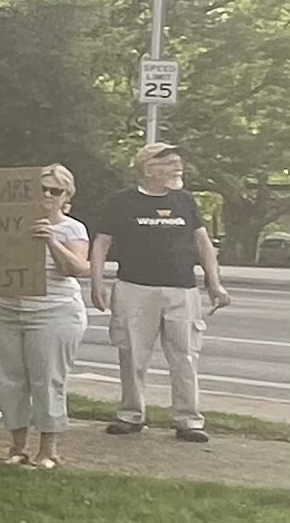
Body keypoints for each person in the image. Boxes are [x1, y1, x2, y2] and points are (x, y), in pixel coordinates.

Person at [90, 141, 228, 442]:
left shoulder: (185, 201)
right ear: (149, 169)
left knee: (185, 356)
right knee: (132, 354)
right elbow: (101, 243)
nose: (178, 167)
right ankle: (131, 415)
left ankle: (189, 420)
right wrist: (97, 282)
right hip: (134, 287)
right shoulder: (122, 202)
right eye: (170, 162)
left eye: (178, 161)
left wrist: (214, 282)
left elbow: (203, 243)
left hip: (182, 290)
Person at [0, 164, 90, 469]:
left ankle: (49, 450)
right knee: (9, 380)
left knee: (47, 380)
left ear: (66, 196)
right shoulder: (2, 223)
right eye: (41, 188)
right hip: (5, 310)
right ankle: (17, 447)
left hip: (53, 312)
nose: (46, 194)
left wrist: (50, 240)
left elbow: (77, 268)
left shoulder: (72, 228)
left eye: (54, 190)